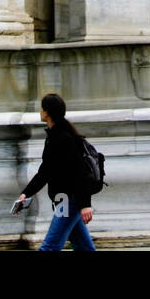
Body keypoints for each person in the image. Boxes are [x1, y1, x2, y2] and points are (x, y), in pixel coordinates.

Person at [14, 93, 97, 251]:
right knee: (84, 247)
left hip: (67, 201)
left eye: (41, 108)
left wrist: (86, 204)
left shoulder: (63, 138)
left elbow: (81, 172)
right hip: (64, 199)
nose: (40, 112)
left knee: (50, 246)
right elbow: (44, 172)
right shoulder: (55, 136)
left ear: (46, 112)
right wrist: (26, 193)